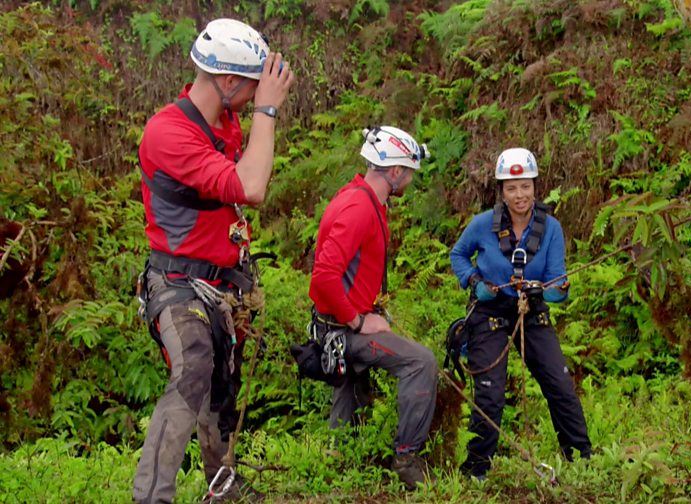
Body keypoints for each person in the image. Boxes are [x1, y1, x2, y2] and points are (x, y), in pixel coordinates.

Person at [133, 18, 294, 503]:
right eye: (249, 86)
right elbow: (252, 186)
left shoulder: (222, 122)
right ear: (227, 82)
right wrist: (267, 109)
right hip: (177, 280)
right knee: (193, 369)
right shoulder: (169, 134)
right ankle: (151, 495)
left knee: (221, 381)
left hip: (220, 280)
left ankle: (220, 481)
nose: (254, 96)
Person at [449, 147, 592, 480]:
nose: (519, 195)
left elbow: (558, 282)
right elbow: (459, 254)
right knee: (490, 392)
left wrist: (546, 291)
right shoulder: (483, 224)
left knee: (559, 384)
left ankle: (582, 460)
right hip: (491, 311)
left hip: (532, 308)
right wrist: (473, 281)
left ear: (535, 186)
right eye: (511, 188)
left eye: (525, 186)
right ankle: (476, 470)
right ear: (501, 191)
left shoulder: (550, 228)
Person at [307, 126, 437, 490]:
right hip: (342, 329)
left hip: (339, 324)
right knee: (421, 361)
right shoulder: (359, 208)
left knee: (351, 395)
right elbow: (323, 277)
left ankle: (338, 464)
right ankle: (408, 458)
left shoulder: (363, 199)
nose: (409, 180)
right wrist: (358, 320)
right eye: (408, 173)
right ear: (395, 172)